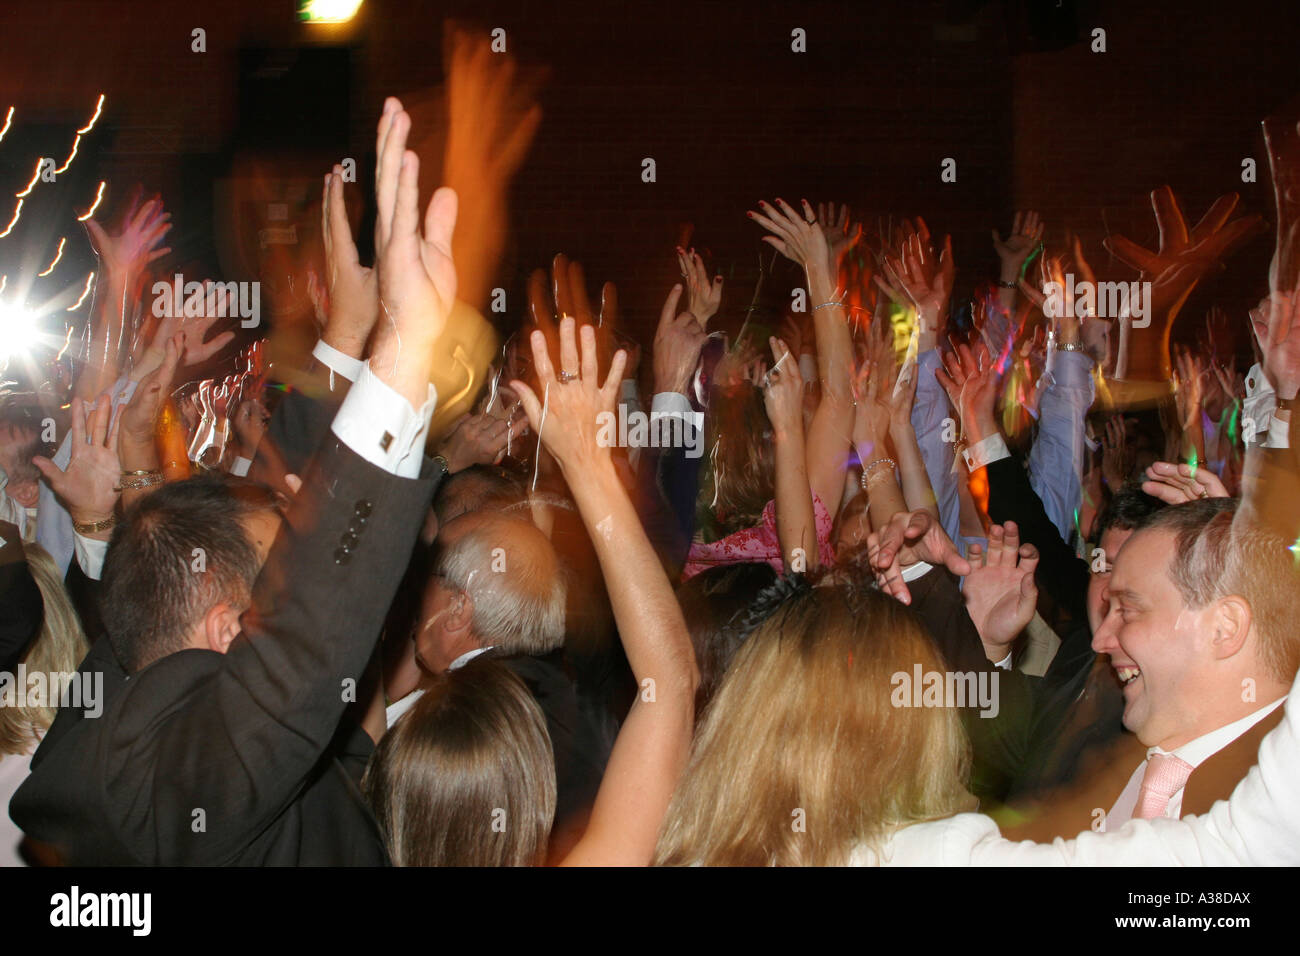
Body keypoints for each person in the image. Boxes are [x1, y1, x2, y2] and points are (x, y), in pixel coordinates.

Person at [10, 96, 454, 865]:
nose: (301, 570)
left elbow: (153, 580)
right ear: (226, 630)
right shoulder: (199, 797)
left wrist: (346, 341)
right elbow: (307, 653)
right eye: (281, 581)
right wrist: (405, 352)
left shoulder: (123, 702)